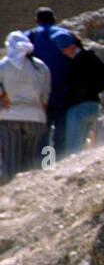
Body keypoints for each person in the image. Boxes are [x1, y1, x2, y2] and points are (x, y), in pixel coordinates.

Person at [24, 7, 77, 155]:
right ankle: (58, 166)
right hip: (64, 94)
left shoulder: (29, 37)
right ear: (54, 20)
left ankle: (44, 168)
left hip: (38, 97)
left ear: (36, 21)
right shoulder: (65, 35)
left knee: (42, 136)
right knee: (61, 136)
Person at [0, 32, 51, 183]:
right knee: (29, 161)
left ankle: (11, 199)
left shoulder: (4, 65)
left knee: (11, 161)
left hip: (9, 119)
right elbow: (45, 99)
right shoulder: (41, 67)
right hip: (36, 119)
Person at [60, 33, 104, 154]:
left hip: (78, 107)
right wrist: (94, 90)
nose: (63, 52)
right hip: (93, 106)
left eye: (63, 48)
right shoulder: (89, 57)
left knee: (73, 148)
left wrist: (87, 90)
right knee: (85, 146)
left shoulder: (79, 60)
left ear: (71, 46)